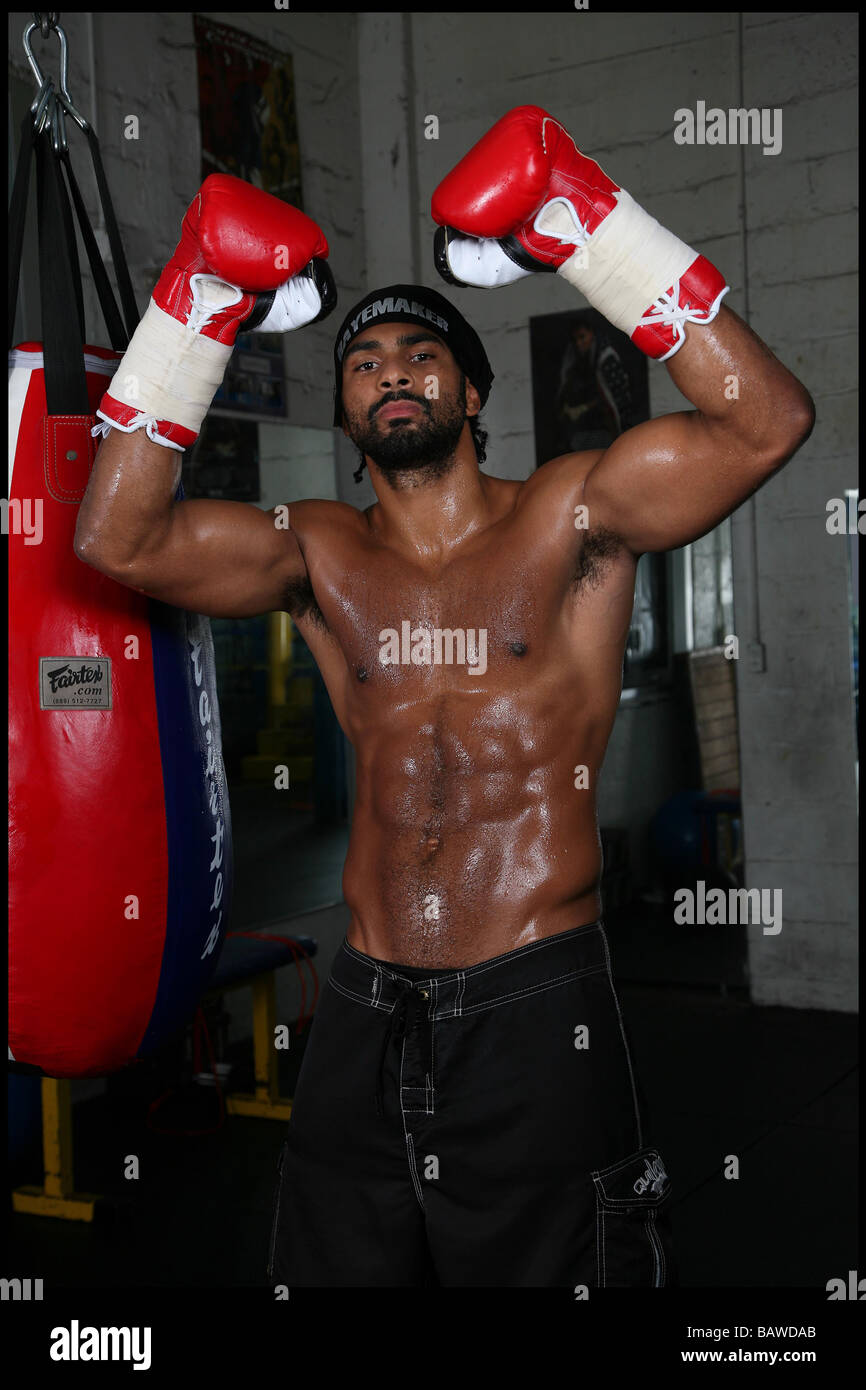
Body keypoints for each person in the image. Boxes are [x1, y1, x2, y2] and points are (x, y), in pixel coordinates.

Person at [75, 107, 814, 1288]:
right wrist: (195, 310)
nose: (391, 374)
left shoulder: (571, 510)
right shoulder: (312, 547)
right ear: (346, 414)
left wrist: (586, 228)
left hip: (535, 1002)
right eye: (363, 363)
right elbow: (118, 538)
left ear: (471, 393)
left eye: (421, 354)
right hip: (362, 1008)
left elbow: (764, 420)